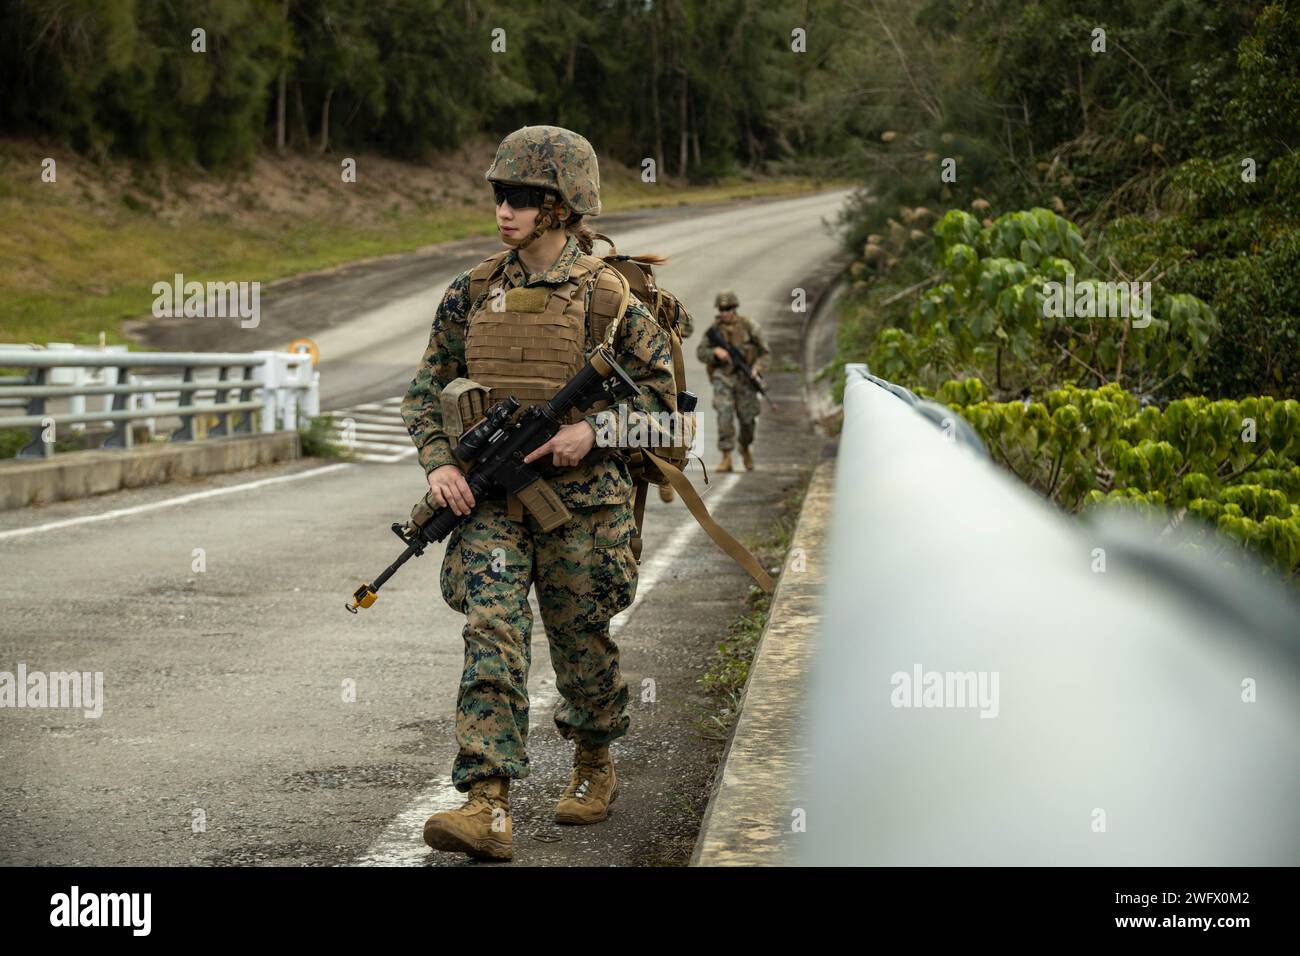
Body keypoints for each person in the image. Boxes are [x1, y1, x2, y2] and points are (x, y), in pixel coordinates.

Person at [400, 125, 675, 861]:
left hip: (585, 506)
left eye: (524, 197)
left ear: (562, 207)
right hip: (492, 501)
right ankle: (486, 801)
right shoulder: (474, 292)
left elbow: (668, 407)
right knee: (492, 630)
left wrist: (598, 433)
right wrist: (441, 466)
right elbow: (425, 393)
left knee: (579, 639)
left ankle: (594, 760)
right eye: (500, 195)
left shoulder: (610, 298)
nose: (505, 210)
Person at [696, 290, 770, 471]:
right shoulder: (713, 331)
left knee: (747, 420)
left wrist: (757, 368)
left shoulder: (749, 326)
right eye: (721, 309)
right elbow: (700, 352)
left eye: (728, 308)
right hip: (724, 378)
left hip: (746, 380)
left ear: (734, 308)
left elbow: (765, 353)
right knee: (724, 416)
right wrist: (715, 353)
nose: (724, 313)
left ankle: (744, 447)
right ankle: (726, 455)